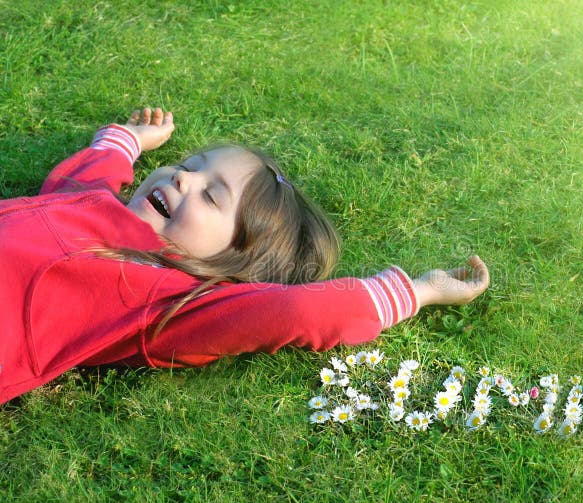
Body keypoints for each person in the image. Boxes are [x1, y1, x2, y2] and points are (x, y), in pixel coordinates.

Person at [0, 107, 490, 404]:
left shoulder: (163, 302)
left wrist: (418, 290)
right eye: (190, 165)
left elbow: (292, 311)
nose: (182, 178)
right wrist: (126, 141)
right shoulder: (93, 206)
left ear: (231, 264)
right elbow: (77, 183)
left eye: (212, 197)